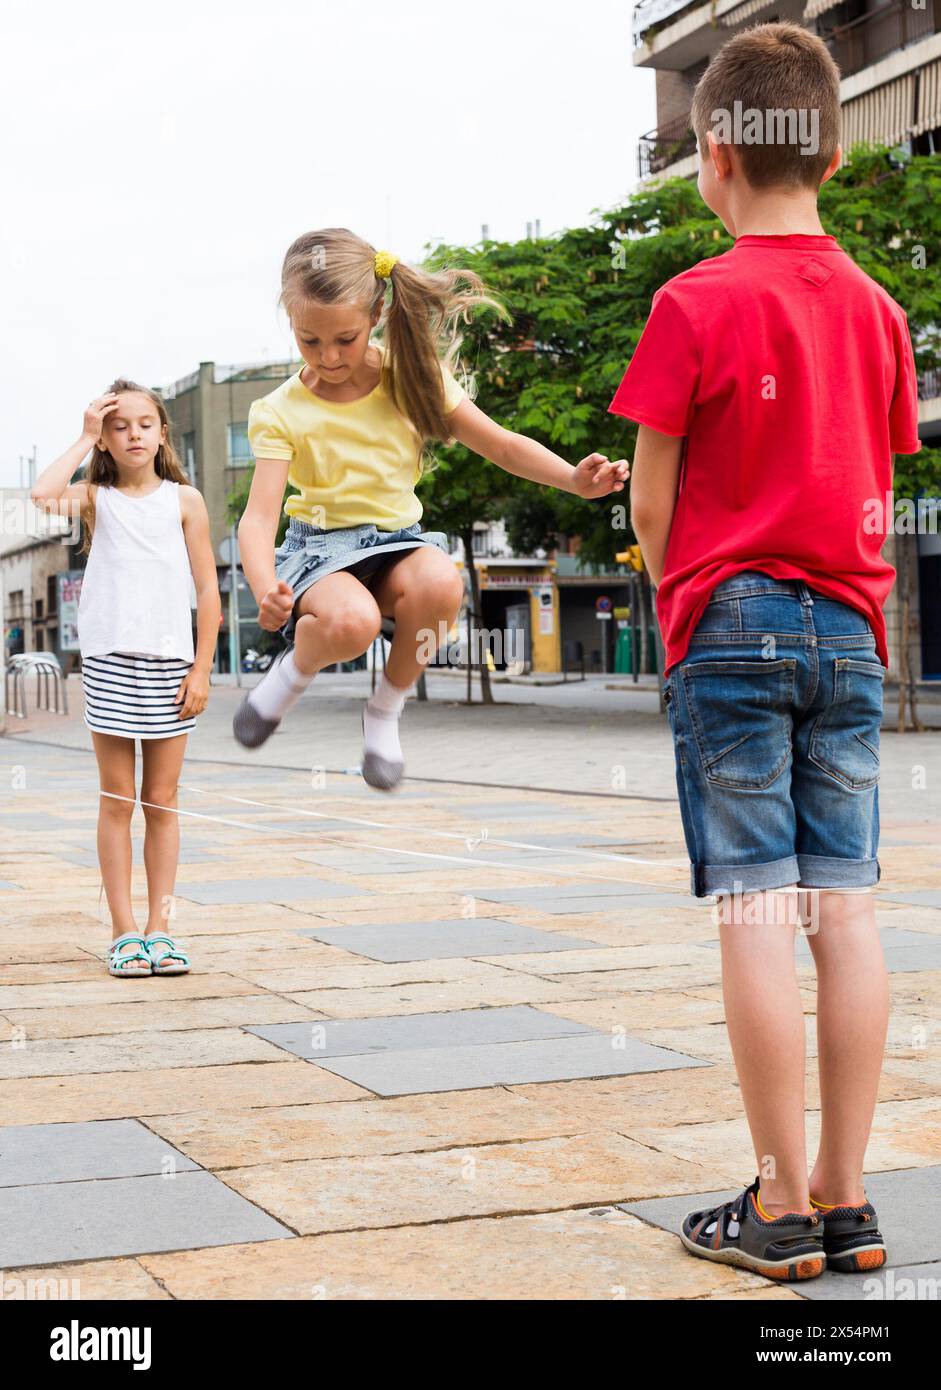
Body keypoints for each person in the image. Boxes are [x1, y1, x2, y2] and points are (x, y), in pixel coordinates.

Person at [611, 23, 921, 1280]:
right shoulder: (878, 310)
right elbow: (870, 466)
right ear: (833, 158)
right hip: (850, 633)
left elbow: (648, 498)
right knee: (841, 911)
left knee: (752, 907)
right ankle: (850, 1201)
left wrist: (678, 583)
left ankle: (776, 1200)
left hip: (729, 624)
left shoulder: (689, 302)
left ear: (717, 152)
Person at [234, 227, 628, 787]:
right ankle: (291, 674)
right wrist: (262, 586)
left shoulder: (411, 378)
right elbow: (259, 515)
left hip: (396, 543)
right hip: (320, 550)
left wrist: (572, 478)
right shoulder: (278, 410)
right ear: (291, 325)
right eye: (309, 341)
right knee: (354, 622)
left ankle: (385, 710)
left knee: (443, 584)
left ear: (376, 312)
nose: (329, 357)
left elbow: (501, 444)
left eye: (344, 339)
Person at [31, 381, 221, 977]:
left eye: (145, 423)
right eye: (120, 426)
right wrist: (85, 433)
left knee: (161, 802)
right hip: (110, 663)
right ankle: (123, 932)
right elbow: (42, 494)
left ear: (163, 431)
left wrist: (202, 667)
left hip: (171, 666)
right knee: (117, 801)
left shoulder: (185, 501)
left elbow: (209, 591)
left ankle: (161, 929)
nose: (133, 434)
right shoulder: (95, 498)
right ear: (107, 440)